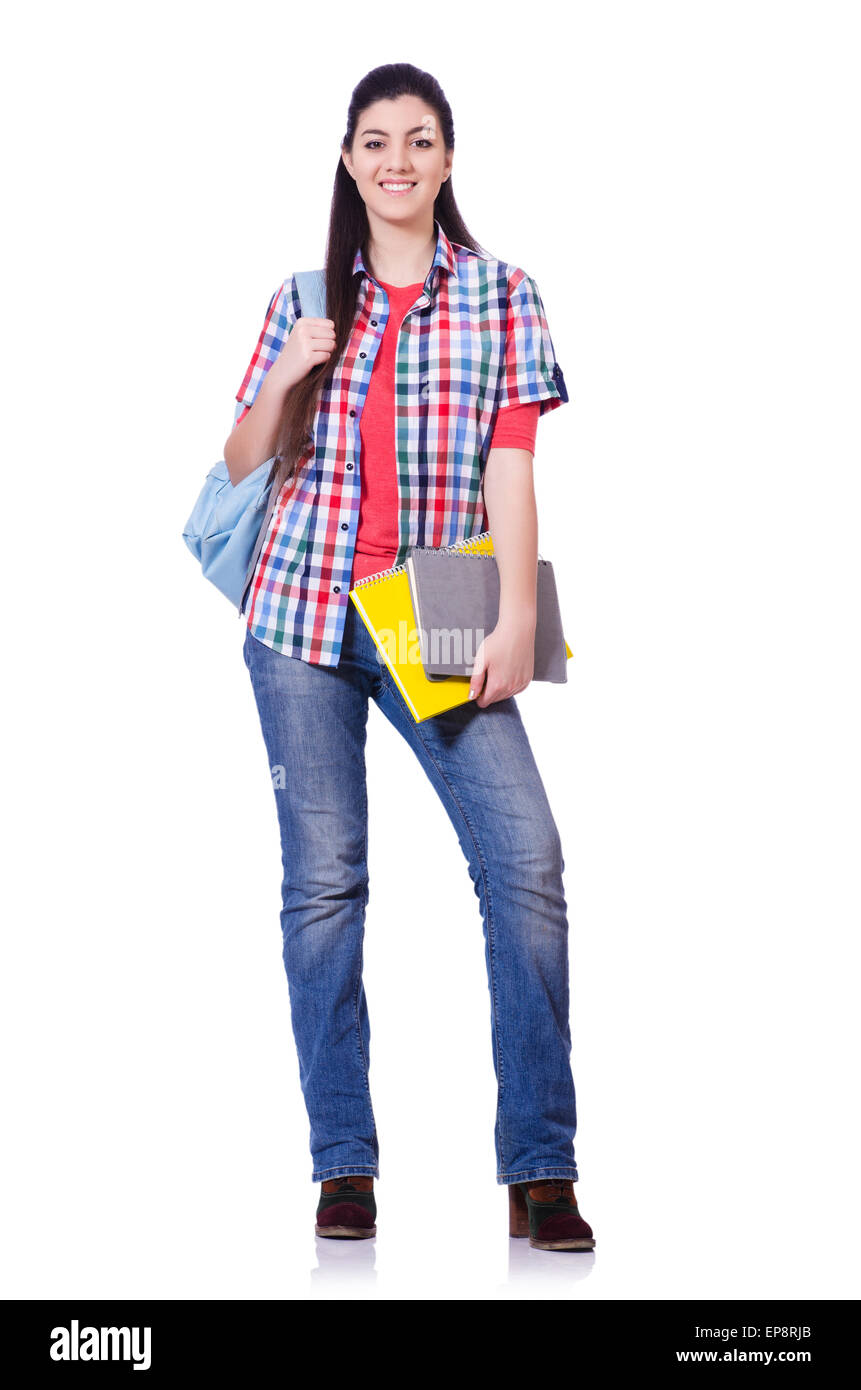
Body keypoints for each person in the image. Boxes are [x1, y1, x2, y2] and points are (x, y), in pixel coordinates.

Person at [224, 63, 595, 1253]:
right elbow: (239, 461)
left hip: (434, 614)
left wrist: (518, 621)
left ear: (446, 160)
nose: (396, 159)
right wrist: (291, 370)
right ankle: (343, 1165)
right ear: (348, 160)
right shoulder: (300, 299)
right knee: (325, 887)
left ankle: (540, 1165)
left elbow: (512, 461)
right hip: (298, 616)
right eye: (375, 141)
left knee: (526, 863)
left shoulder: (501, 293)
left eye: (419, 140)